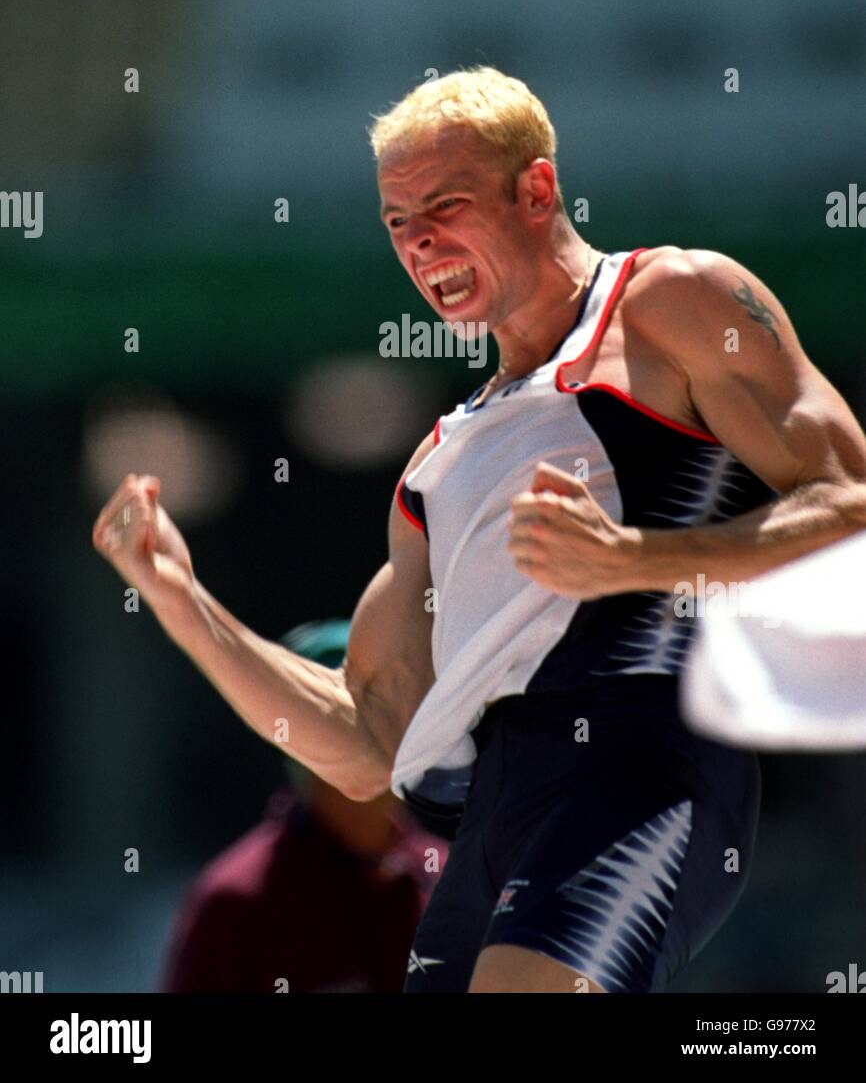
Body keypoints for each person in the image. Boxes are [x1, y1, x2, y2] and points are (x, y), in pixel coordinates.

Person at [93, 67, 866, 993]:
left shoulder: (671, 300)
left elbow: (851, 500)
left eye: (444, 205)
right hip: (489, 819)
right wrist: (181, 602)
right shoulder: (435, 467)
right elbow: (367, 739)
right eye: (395, 222)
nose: (419, 242)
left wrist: (635, 561)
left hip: (638, 764)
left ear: (536, 190)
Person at [161, 620, 448, 993]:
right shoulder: (235, 901)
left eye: (400, 709)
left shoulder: (448, 879)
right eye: (361, 717)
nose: (392, 734)